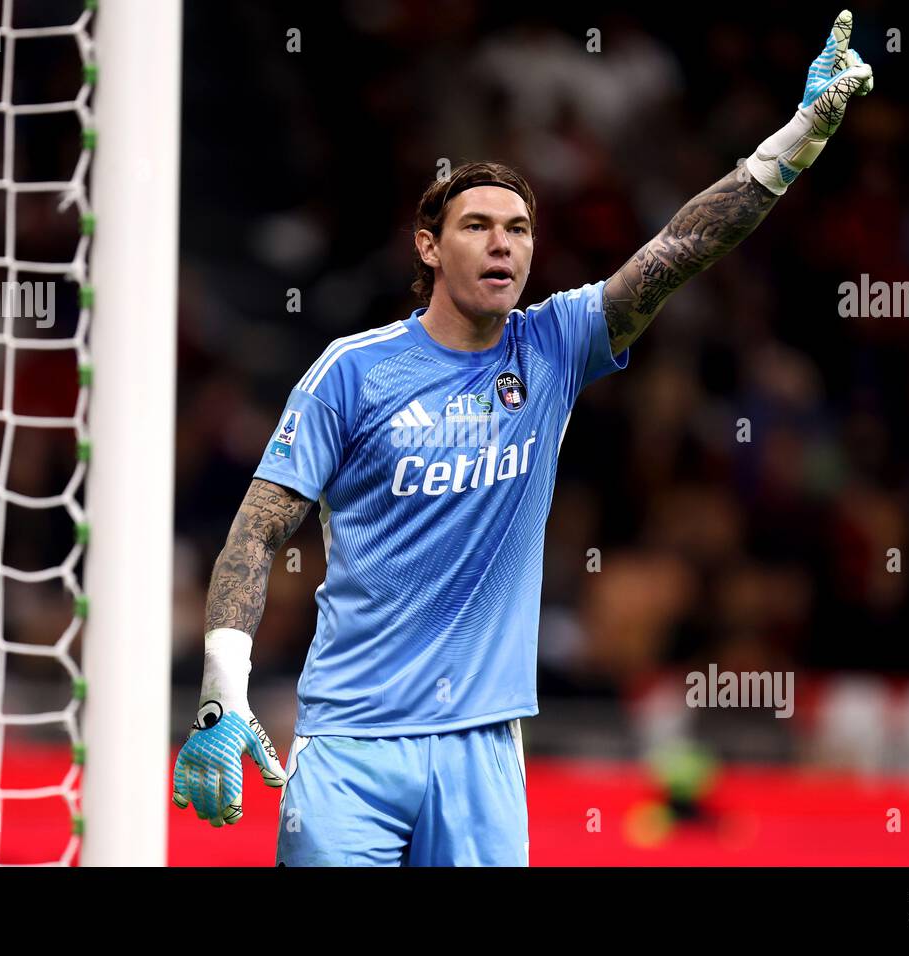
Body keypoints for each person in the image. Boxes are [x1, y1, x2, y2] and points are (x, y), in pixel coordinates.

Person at [172, 10, 873, 866]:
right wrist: (221, 697)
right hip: (352, 746)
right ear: (428, 245)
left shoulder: (553, 345)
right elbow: (256, 530)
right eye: (477, 226)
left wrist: (797, 140)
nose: (503, 244)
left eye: (520, 230)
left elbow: (681, 248)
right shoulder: (350, 372)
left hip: (482, 753)